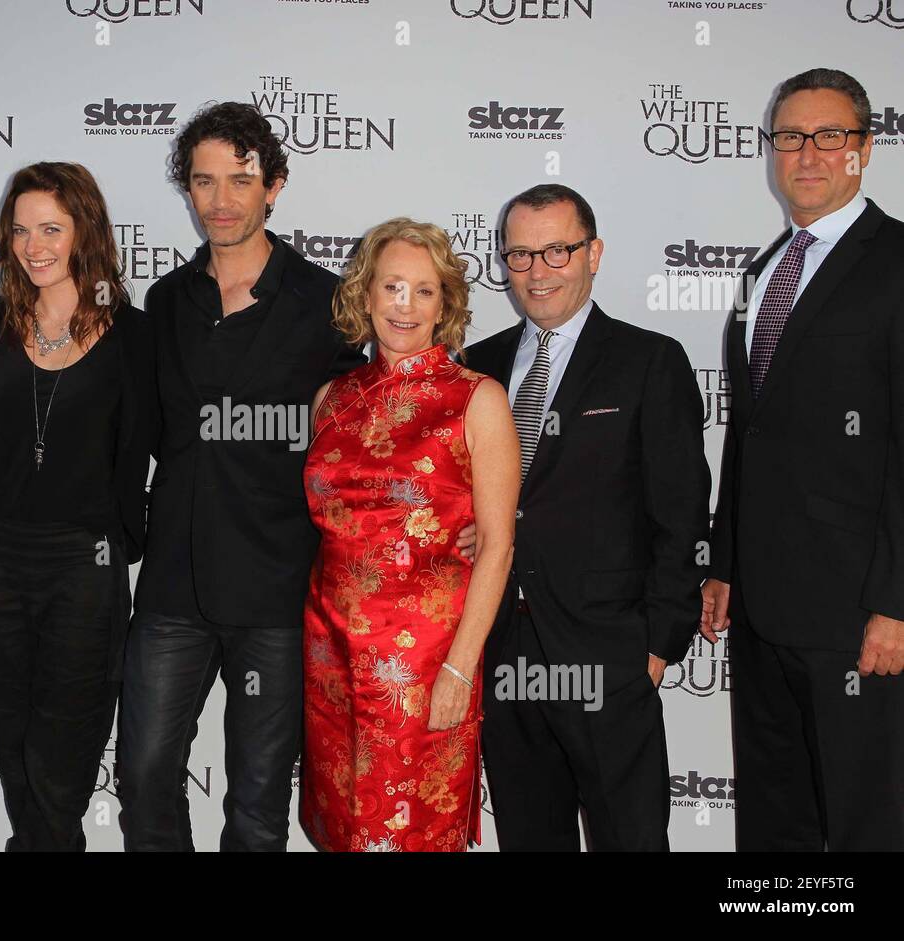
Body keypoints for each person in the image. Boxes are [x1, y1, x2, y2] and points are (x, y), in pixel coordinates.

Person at [114, 101, 371, 852]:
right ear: (186, 190)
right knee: (144, 773)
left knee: (258, 800)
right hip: (173, 585)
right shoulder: (165, 302)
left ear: (274, 185)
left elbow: (354, 448)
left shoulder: (327, 303)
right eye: (203, 181)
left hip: (278, 590)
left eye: (240, 179)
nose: (221, 200)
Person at [462, 184, 709, 851]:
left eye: (556, 250)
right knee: (528, 834)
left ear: (593, 253)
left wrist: (656, 646)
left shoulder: (648, 361)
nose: (537, 271)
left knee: (629, 838)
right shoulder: (472, 366)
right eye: (519, 255)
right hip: (501, 649)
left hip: (609, 653)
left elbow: (681, 514)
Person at [701, 68, 904, 851]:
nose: (807, 154)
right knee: (776, 818)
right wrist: (723, 563)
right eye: (789, 136)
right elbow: (746, 434)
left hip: (860, 614)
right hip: (761, 607)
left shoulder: (894, 263)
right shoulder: (761, 275)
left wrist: (896, 601)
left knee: (867, 822)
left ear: (865, 149)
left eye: (830, 136)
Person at [0, 163, 158, 851]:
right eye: (19, 230)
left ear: (84, 232)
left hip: (85, 565)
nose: (33, 246)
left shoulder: (133, 334)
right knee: (12, 746)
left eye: (50, 228)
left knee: (61, 757)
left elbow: (173, 442)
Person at [300, 219, 518, 852]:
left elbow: (498, 546)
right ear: (364, 295)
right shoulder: (331, 398)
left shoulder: (477, 400)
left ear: (446, 303)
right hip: (329, 652)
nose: (406, 305)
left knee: (407, 833)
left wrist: (459, 667)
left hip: (421, 664)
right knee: (341, 827)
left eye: (425, 291)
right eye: (392, 286)